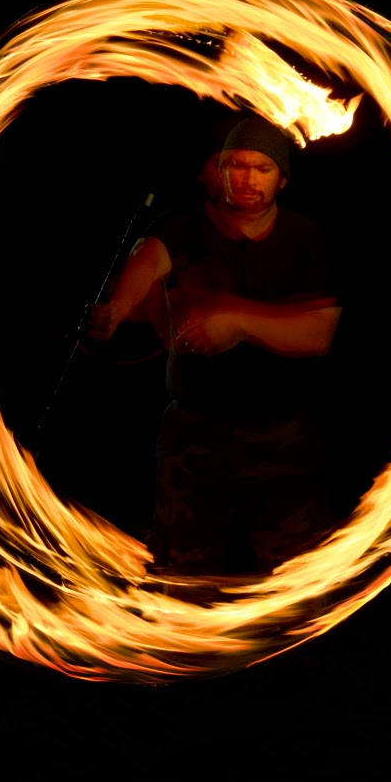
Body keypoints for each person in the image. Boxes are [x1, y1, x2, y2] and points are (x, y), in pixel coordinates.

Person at [88, 114, 342, 582]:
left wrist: (237, 322)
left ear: (282, 179)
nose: (247, 179)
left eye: (261, 169)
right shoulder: (184, 226)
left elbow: (318, 335)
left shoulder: (305, 238)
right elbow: (149, 261)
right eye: (235, 166)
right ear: (215, 172)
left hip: (283, 438)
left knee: (295, 578)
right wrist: (115, 311)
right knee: (184, 571)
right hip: (193, 437)